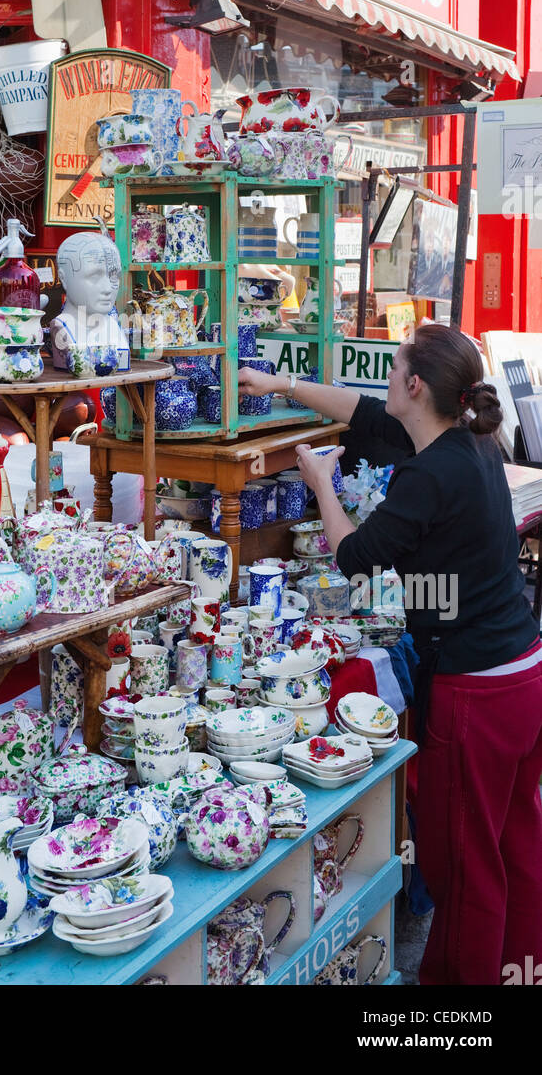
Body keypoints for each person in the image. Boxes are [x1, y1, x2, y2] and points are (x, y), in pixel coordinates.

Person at [240, 325, 542, 986]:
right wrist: (278, 385)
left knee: (464, 869)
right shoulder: (468, 439)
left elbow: (352, 557)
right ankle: (523, 972)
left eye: (395, 365)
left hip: (478, 692)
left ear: (416, 386)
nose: (385, 378)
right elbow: (360, 410)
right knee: (515, 848)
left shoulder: (428, 476)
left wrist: (320, 481)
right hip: (523, 672)